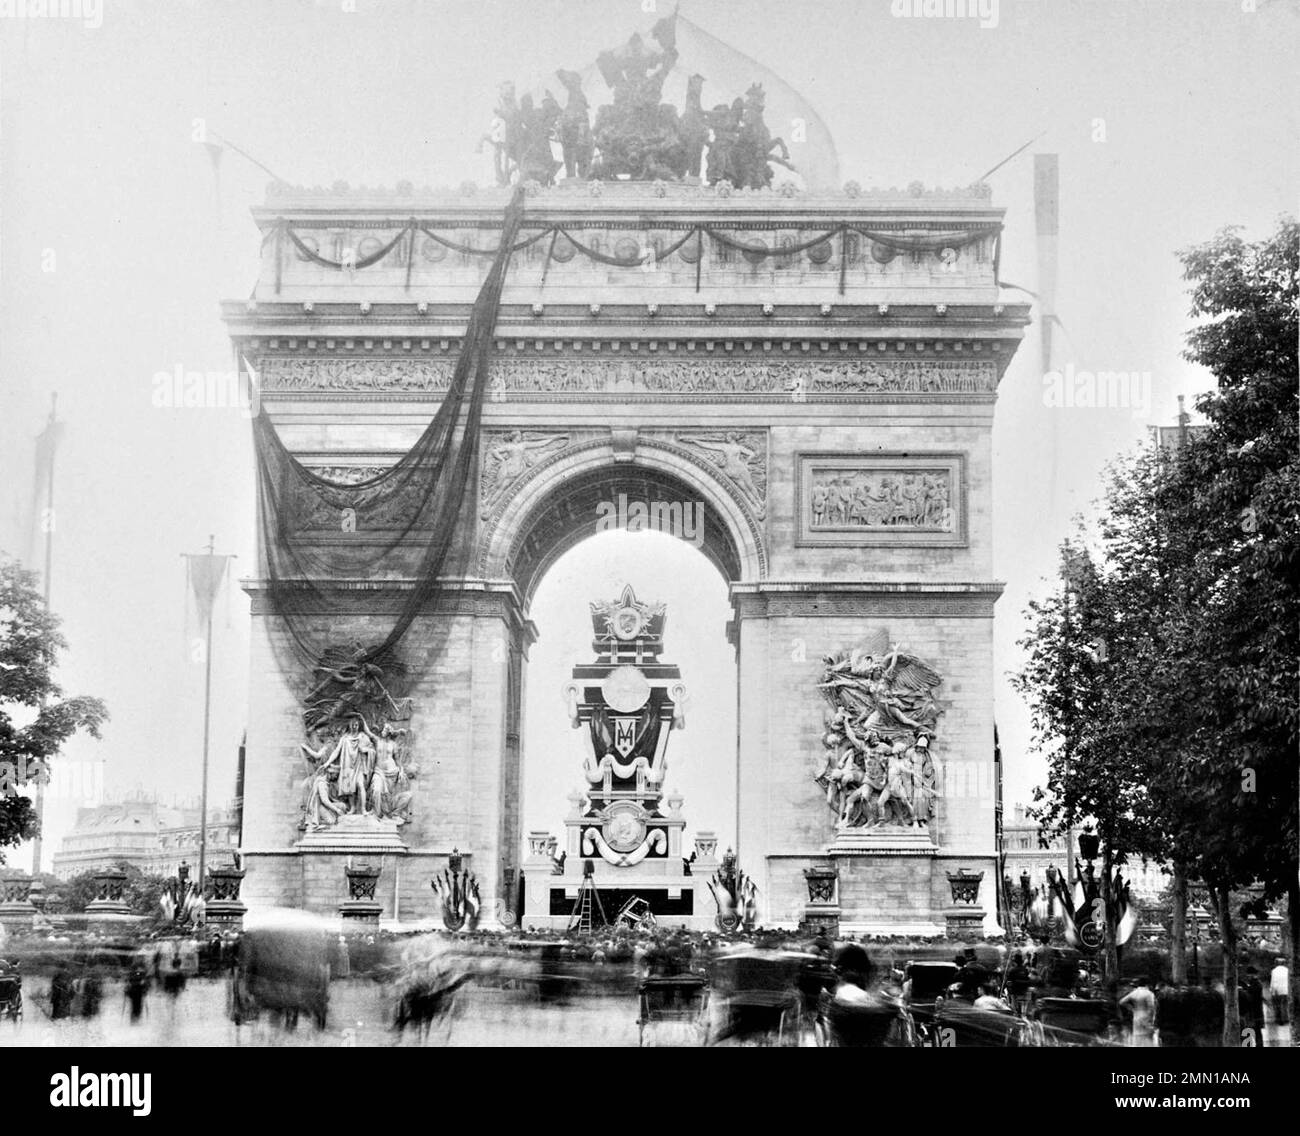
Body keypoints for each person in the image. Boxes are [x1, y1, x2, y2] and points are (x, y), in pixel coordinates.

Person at [1119, 978, 1158, 1047]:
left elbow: (1121, 1002)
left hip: (1136, 1016)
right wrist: (1151, 1021)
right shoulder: (1149, 993)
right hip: (1146, 1016)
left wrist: (1132, 1009)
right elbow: (1151, 1008)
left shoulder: (1134, 992)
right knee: (1147, 1039)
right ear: (1147, 984)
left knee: (1137, 1038)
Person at [1239, 967, 1265, 1046]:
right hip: (1255, 1012)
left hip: (1254, 1013)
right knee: (1256, 1032)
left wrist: (1242, 991)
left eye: (1249, 975)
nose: (1248, 976)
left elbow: (1251, 998)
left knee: (1251, 1032)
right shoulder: (1254, 984)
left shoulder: (1256, 984)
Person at [1270, 957, 1289, 1028]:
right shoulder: (1287, 970)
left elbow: (1273, 982)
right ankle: (1286, 1018)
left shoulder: (1274, 971)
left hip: (1277, 990)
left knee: (1278, 1005)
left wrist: (1272, 990)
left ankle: (1279, 1019)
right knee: (1285, 1004)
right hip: (1286, 990)